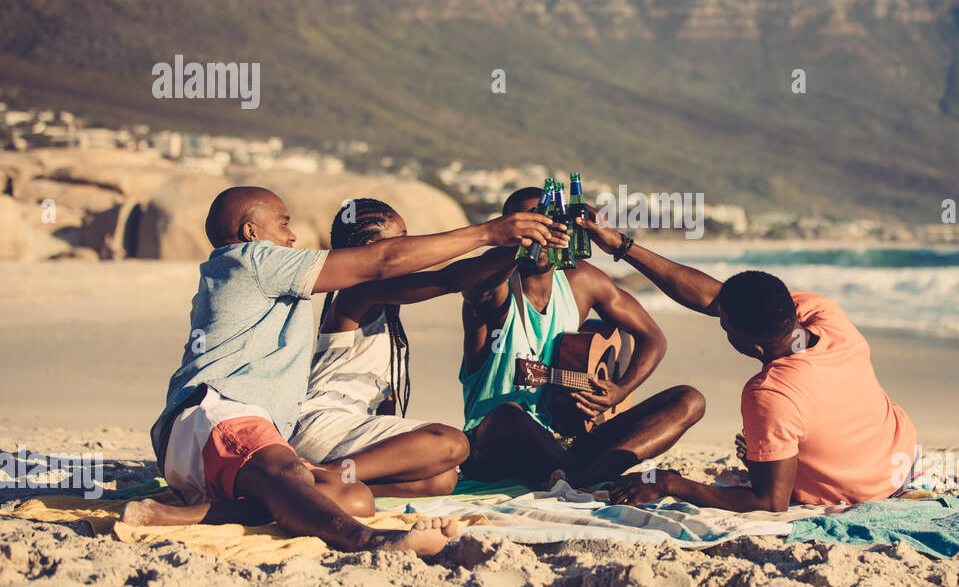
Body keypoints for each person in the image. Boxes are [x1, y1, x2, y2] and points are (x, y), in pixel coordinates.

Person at [124, 186, 565, 557]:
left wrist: (518, 250)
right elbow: (418, 271)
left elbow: (441, 272)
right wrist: (492, 233)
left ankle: (175, 514)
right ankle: (370, 540)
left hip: (220, 446)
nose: (293, 236)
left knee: (359, 496)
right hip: (216, 416)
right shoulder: (254, 260)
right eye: (283, 224)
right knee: (444, 445)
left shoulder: (272, 279)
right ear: (251, 232)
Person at [581, 215, 918, 512]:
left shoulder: (770, 394)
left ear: (754, 346)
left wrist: (670, 483)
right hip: (900, 459)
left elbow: (771, 502)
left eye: (726, 326)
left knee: (770, 459)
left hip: (861, 492)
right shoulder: (826, 316)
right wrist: (620, 246)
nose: (721, 324)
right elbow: (715, 297)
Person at [458, 186, 705, 488]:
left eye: (547, 224)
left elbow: (653, 337)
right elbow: (474, 287)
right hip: (492, 447)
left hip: (569, 441)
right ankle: (589, 477)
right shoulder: (492, 287)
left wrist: (620, 390)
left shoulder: (582, 281)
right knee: (508, 415)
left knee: (689, 400)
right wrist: (520, 245)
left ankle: (579, 478)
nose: (539, 233)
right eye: (528, 224)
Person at [288, 198, 522, 499]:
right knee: (453, 443)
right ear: (373, 248)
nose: (411, 248)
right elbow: (447, 279)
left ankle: (331, 489)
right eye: (402, 240)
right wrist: (513, 245)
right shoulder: (359, 293)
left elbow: (386, 408)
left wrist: (523, 251)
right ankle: (318, 478)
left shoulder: (387, 314)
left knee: (441, 480)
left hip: (349, 434)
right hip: (322, 423)